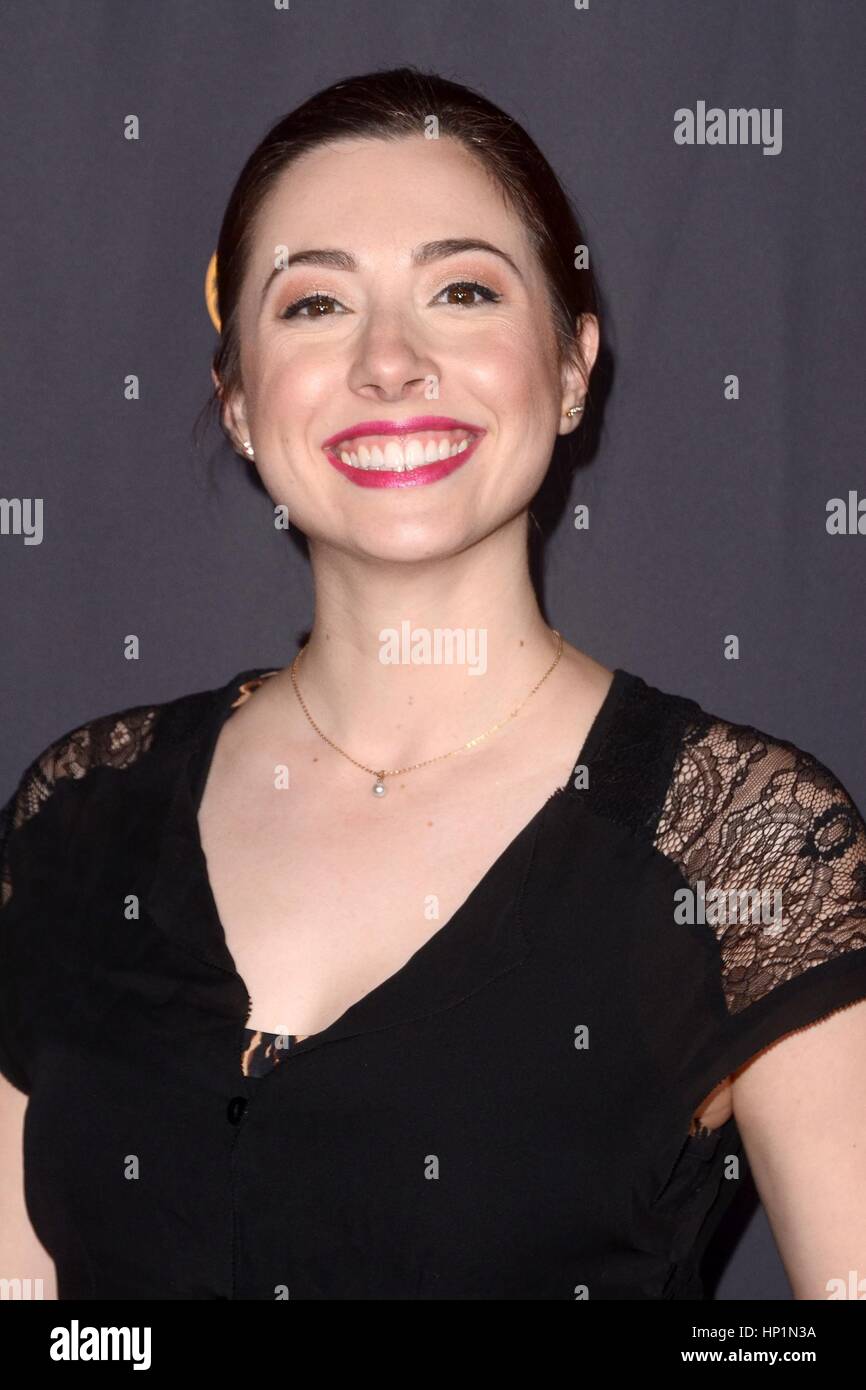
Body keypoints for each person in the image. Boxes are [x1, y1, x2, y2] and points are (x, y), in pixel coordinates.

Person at [1, 66, 864, 1302]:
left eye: (461, 291)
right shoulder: (76, 811)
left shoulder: (744, 848)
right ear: (237, 400)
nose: (389, 361)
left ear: (570, 366)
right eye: (312, 306)